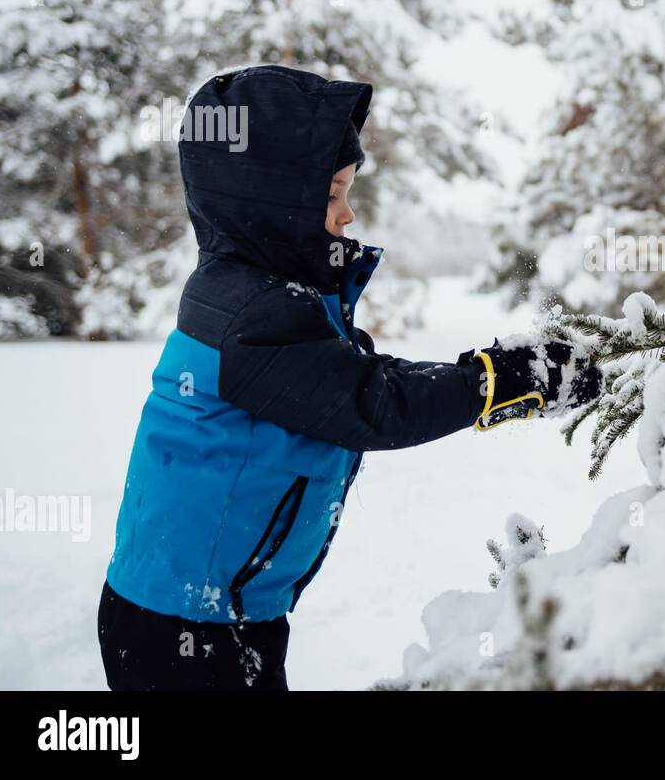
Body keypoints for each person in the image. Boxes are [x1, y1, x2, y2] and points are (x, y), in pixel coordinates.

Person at [98, 64, 601, 690]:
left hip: (211, 610)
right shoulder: (254, 314)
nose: (349, 213)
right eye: (333, 195)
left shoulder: (252, 292)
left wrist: (498, 378)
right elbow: (375, 404)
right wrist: (503, 380)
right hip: (186, 632)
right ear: (268, 204)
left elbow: (354, 379)